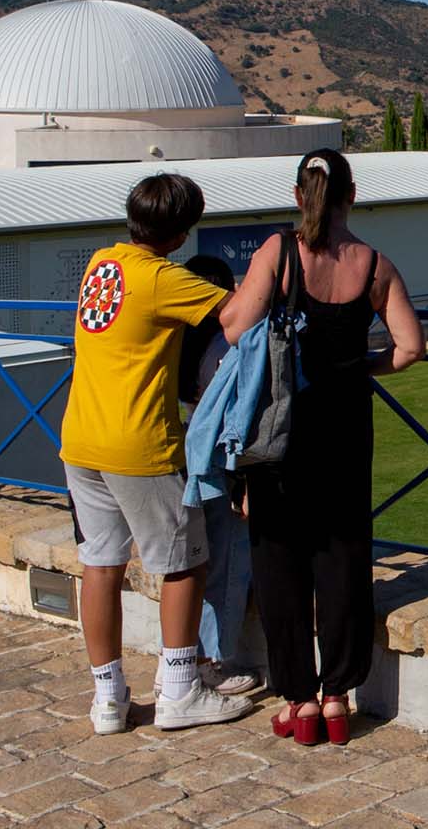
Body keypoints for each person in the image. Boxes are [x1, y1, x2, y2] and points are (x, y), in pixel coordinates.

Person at [219, 150, 426, 747]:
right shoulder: (375, 264)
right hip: (345, 430)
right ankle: (338, 695)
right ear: (351, 196)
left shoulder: (278, 252)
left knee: (279, 564)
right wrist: (359, 366)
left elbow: (235, 327)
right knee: (343, 559)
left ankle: (301, 700)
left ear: (297, 195)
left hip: (279, 435)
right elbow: (410, 348)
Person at [61, 173, 256, 735]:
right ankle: (179, 689)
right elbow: (238, 314)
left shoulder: (103, 263)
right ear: (180, 233)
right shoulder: (163, 278)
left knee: (100, 564)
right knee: (185, 563)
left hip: (82, 438)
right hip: (139, 444)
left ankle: (108, 698)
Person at [179, 254, 261, 698]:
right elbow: (234, 421)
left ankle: (184, 658)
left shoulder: (177, 339)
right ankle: (211, 662)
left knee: (191, 561)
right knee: (226, 560)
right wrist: (243, 482)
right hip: (213, 464)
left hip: (177, 455)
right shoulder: (224, 347)